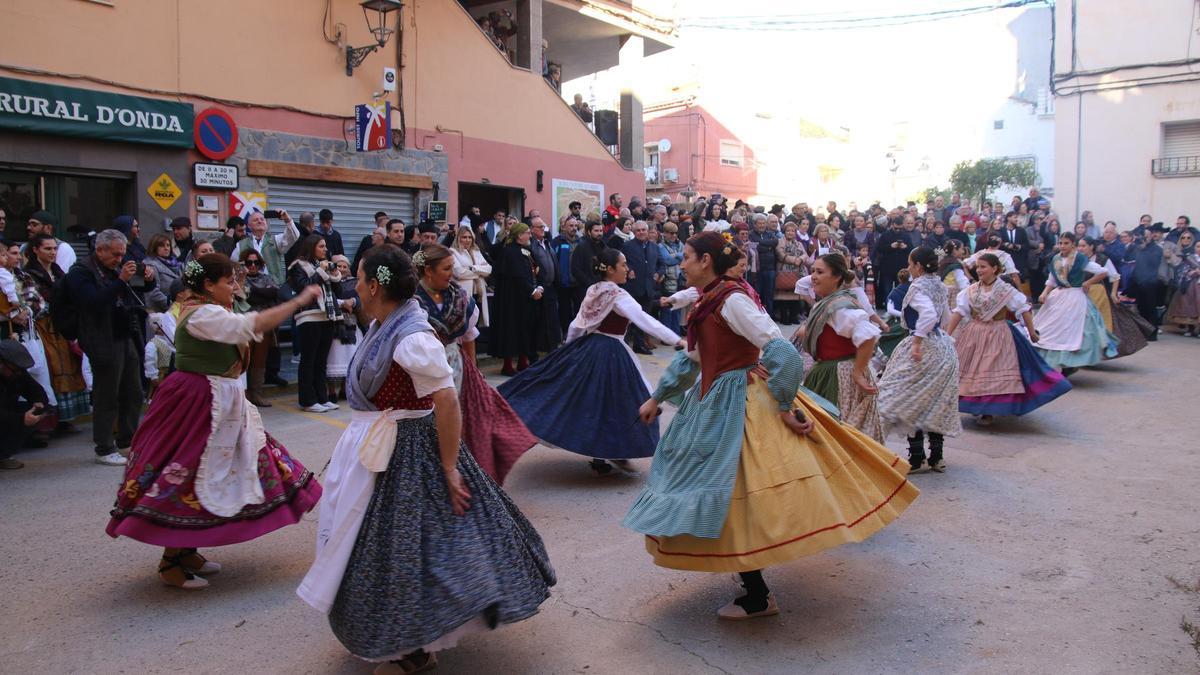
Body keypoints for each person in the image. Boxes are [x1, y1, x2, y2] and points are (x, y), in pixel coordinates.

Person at [622, 232, 917, 620]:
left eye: (689, 257)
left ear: (707, 261)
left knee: (741, 490)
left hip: (740, 401)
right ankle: (752, 583)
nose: (683, 263)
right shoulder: (711, 300)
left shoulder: (732, 301)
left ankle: (758, 595)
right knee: (727, 491)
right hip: (716, 401)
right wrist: (657, 397)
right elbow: (693, 358)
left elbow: (781, 352)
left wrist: (781, 405)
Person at [296, 245, 554, 671]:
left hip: (407, 449)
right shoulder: (386, 322)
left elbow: (446, 400)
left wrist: (449, 467)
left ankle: (414, 650)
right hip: (380, 442)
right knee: (377, 545)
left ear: (375, 285)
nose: (355, 284)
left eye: (359, 277)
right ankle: (402, 640)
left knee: (405, 550)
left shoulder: (412, 334)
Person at [106, 254, 323, 589]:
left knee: (212, 470)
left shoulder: (208, 309)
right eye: (228, 281)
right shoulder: (203, 314)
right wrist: (298, 301)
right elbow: (250, 325)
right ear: (208, 285)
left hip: (216, 397)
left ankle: (185, 552)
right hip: (198, 400)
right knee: (187, 471)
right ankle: (171, 562)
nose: (234, 287)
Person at [500, 248, 682, 476]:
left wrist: (570, 350)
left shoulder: (593, 290)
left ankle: (605, 454)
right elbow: (645, 321)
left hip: (589, 346)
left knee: (598, 404)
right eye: (624, 264)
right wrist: (676, 339)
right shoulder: (618, 296)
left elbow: (577, 324)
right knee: (626, 401)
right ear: (611, 269)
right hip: (611, 351)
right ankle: (614, 451)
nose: (627, 269)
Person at [415, 244, 536, 483]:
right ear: (428, 271)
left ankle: (464, 473)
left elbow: (469, 337)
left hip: (456, 365)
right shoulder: (412, 302)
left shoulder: (460, 298)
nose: (452, 273)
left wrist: (473, 372)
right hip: (422, 367)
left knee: (467, 423)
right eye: (446, 268)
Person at [945, 253, 1071, 426]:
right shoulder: (971, 290)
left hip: (998, 333)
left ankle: (988, 411)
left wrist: (1032, 332)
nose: (979, 270)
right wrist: (947, 334)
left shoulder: (1006, 290)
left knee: (989, 371)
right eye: (978, 267)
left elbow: (1023, 309)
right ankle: (976, 405)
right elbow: (959, 312)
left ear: (995, 268)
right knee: (971, 370)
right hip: (973, 333)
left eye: (983, 267)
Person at [66, 229, 156, 466]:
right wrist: (120, 281)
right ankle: (104, 447)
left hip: (125, 332)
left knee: (134, 390)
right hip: (101, 337)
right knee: (107, 393)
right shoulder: (81, 272)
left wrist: (148, 278)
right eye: (115, 254)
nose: (119, 259)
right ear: (100, 250)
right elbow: (92, 302)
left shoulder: (115, 268)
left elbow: (138, 291)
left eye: (122, 254)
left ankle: (127, 441)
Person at [877, 246, 963, 473]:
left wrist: (917, 341)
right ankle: (937, 457)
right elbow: (944, 316)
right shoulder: (939, 285)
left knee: (906, 400)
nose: (908, 267)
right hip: (941, 346)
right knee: (933, 400)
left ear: (918, 266)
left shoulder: (917, 287)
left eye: (910, 263)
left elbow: (929, 315)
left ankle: (917, 458)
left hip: (923, 347)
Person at [794, 254, 885, 441]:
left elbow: (868, 336)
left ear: (836, 277)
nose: (813, 276)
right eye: (813, 271)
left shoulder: (840, 307)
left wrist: (858, 372)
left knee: (834, 430)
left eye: (820, 272)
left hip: (838, 376)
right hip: (825, 372)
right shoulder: (828, 303)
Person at [1032, 232, 1118, 373]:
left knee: (1072, 330)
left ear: (1073, 244)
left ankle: (1069, 364)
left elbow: (1103, 272)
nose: (1063, 246)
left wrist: (1087, 282)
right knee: (1049, 329)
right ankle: (1052, 363)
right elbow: (1052, 279)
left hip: (1075, 297)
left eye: (1066, 243)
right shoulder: (1056, 259)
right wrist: (1044, 292)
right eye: (1061, 243)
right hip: (1058, 296)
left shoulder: (1079, 259)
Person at [288, 234, 344, 412]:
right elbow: (304, 287)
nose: (325, 249)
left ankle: (322, 397)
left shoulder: (324, 264)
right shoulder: (298, 266)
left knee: (321, 360)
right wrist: (321, 271)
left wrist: (334, 275)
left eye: (325, 246)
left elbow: (338, 291)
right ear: (311, 247)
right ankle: (307, 400)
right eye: (321, 246)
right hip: (309, 316)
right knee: (309, 360)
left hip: (327, 315)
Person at [490, 223, 541, 375]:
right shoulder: (509, 252)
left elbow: (532, 268)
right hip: (511, 299)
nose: (530, 235)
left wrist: (537, 285)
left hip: (525, 298)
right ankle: (507, 364)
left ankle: (523, 361)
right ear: (519, 235)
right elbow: (517, 275)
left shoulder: (526, 250)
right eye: (527, 233)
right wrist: (532, 290)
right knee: (511, 329)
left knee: (525, 328)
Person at [237, 248, 281, 407]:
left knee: (259, 361)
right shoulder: (239, 279)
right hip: (245, 324)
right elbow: (244, 297)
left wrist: (255, 292)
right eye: (249, 262)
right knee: (244, 360)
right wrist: (262, 293)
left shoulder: (267, 277)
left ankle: (257, 393)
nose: (253, 265)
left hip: (264, 325)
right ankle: (244, 395)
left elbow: (275, 293)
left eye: (256, 262)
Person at [0, 340, 51, 470]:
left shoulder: (18, 374)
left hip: (6, 412)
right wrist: (20, 419)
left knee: (30, 412)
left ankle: (3, 455)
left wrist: (39, 403)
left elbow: (37, 391)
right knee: (19, 418)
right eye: (15, 370)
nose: (19, 373)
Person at [620, 221, 662, 355]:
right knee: (628, 319)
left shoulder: (654, 247)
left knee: (643, 319)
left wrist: (659, 273)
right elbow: (622, 263)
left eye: (644, 230)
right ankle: (624, 346)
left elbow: (661, 264)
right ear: (634, 231)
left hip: (648, 288)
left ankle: (639, 345)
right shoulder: (627, 246)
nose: (641, 232)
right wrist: (629, 269)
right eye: (638, 230)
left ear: (648, 230)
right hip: (633, 288)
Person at [325, 254, 361, 402]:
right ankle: (331, 391)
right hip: (333, 325)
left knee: (351, 356)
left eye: (345, 266)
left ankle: (346, 390)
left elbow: (363, 298)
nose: (342, 269)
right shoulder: (328, 282)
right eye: (339, 266)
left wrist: (353, 301)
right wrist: (341, 303)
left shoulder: (356, 283)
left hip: (352, 324)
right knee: (333, 357)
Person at [528, 217, 561, 352]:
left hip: (551, 286)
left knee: (552, 318)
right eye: (539, 227)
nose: (543, 229)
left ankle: (552, 346)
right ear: (531, 229)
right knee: (541, 320)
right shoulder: (530, 245)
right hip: (538, 287)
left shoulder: (546, 243)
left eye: (544, 226)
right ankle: (540, 348)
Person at [450, 225, 492, 329]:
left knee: (475, 325)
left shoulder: (476, 251)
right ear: (458, 238)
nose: (467, 240)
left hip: (479, 293)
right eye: (464, 237)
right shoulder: (452, 252)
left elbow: (489, 269)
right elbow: (459, 273)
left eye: (470, 237)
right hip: (463, 293)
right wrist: (479, 271)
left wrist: (471, 268)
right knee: (464, 325)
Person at [550, 217, 581, 333]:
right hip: (563, 283)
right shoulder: (557, 242)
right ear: (564, 227)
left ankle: (578, 335)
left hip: (578, 283)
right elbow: (552, 261)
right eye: (571, 226)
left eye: (575, 226)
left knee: (579, 310)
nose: (574, 228)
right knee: (564, 311)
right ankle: (566, 334)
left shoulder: (580, 241)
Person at [1167, 238, 1200, 335]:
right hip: (1191, 285)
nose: (1199, 249)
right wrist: (1193, 272)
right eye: (1198, 246)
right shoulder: (1189, 258)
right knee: (1189, 306)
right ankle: (1190, 328)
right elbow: (1182, 271)